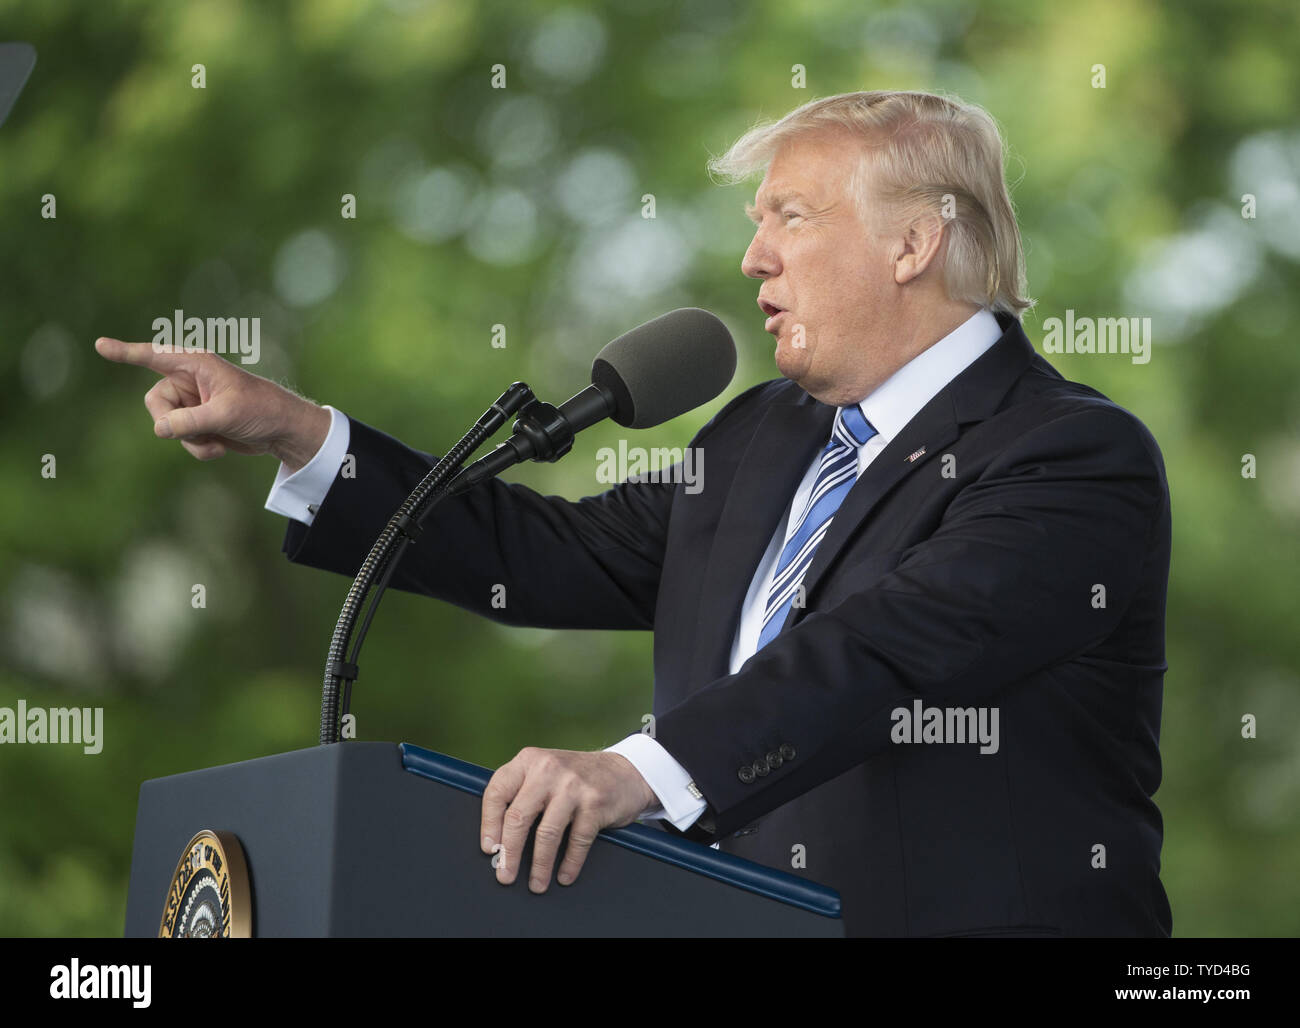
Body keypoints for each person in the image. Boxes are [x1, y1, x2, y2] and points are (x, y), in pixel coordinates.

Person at [97, 90, 1172, 937]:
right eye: (757, 223)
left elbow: (882, 650)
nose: (753, 255)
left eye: (790, 216)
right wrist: (301, 433)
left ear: (911, 244)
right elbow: (546, 552)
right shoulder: (763, 435)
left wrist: (635, 770)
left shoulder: (1069, 455)